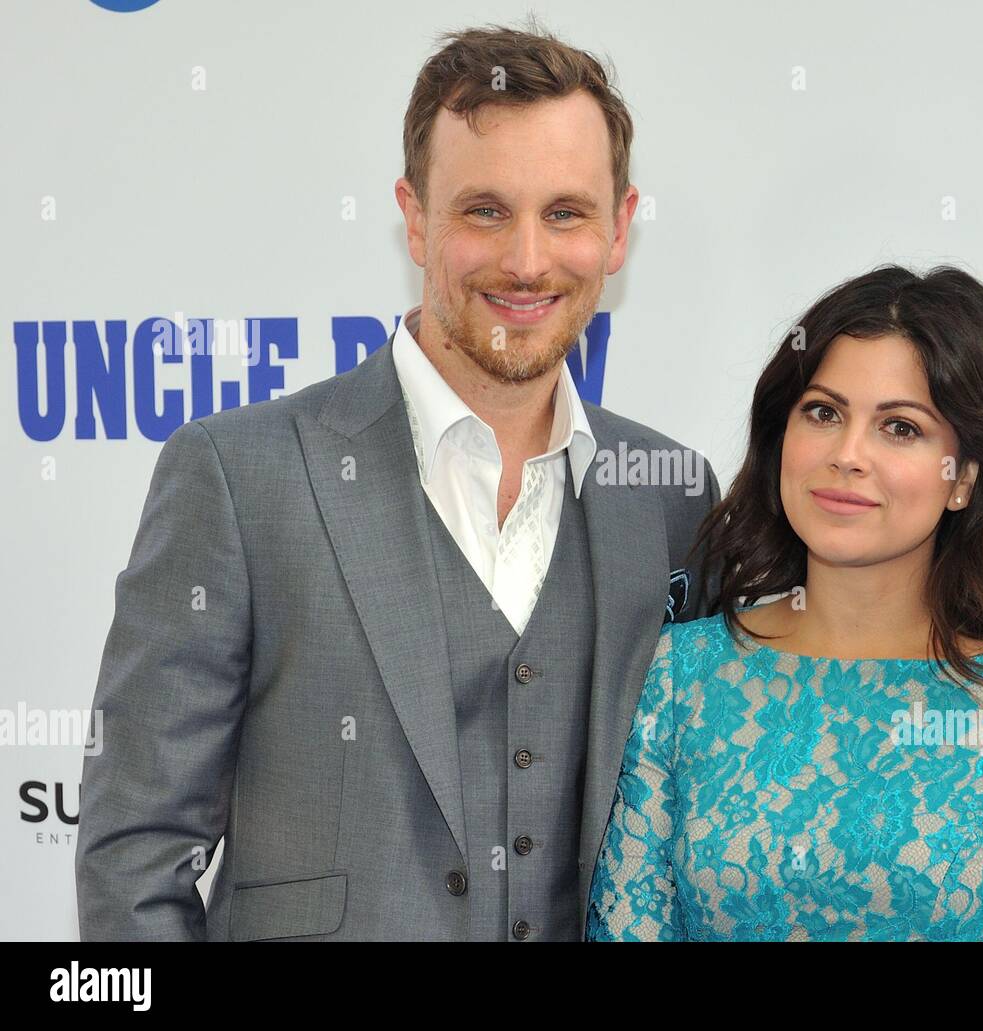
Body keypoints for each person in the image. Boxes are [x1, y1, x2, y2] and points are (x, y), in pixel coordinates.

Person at [75, 22, 719, 941]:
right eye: (484, 210)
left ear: (619, 230)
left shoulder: (671, 497)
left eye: (566, 213)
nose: (529, 260)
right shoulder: (239, 474)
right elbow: (134, 857)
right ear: (414, 216)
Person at [586, 265, 983, 941]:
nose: (848, 455)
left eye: (901, 427)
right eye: (823, 413)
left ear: (964, 477)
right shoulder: (680, 678)